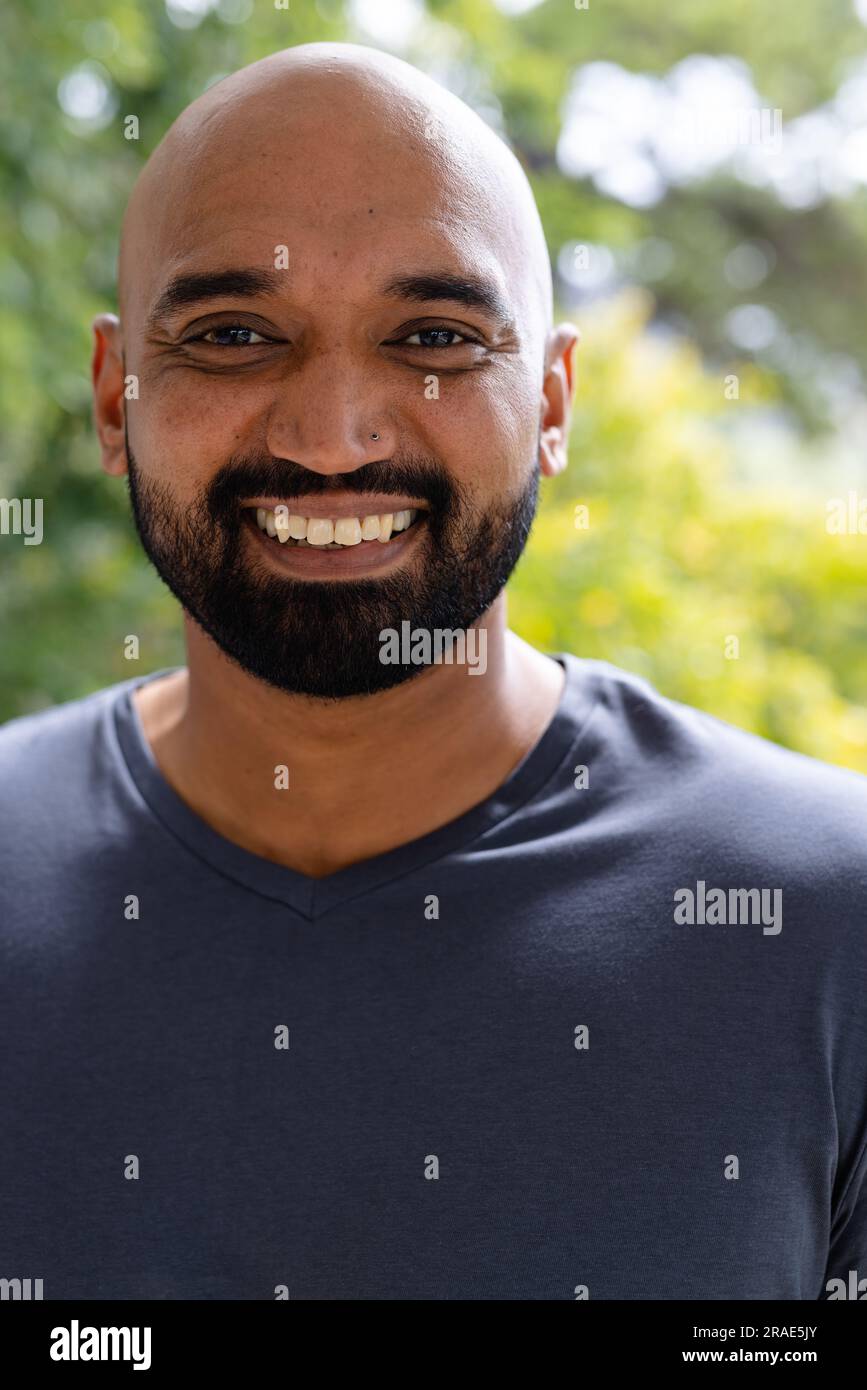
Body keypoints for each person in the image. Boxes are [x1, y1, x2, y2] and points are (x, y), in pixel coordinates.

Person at [1, 41, 865, 1302]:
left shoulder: (832, 920)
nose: (331, 438)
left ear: (553, 401)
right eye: (234, 334)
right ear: (112, 396)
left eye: (436, 337)